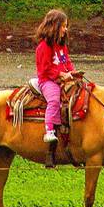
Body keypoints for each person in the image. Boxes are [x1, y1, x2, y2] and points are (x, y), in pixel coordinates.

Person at [33, 9, 75, 143]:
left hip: (61, 79)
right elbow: (46, 69)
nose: (65, 29)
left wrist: (72, 72)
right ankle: (49, 130)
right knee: (54, 100)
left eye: (66, 26)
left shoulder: (62, 46)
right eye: (63, 26)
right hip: (48, 81)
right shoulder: (44, 47)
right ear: (54, 27)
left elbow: (67, 62)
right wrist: (61, 75)